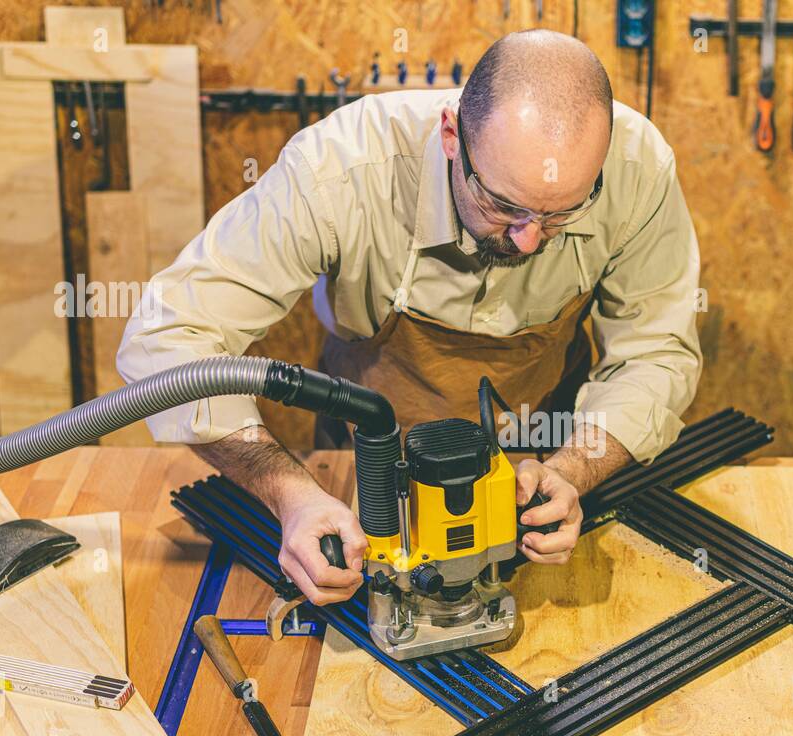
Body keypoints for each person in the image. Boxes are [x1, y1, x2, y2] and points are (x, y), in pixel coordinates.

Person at [117, 29, 701, 606]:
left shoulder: (635, 167)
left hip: (537, 465)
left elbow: (655, 353)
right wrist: (291, 493)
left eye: (560, 216)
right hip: (368, 479)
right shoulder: (340, 170)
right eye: (502, 205)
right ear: (452, 136)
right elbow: (166, 340)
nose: (527, 242)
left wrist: (573, 470)